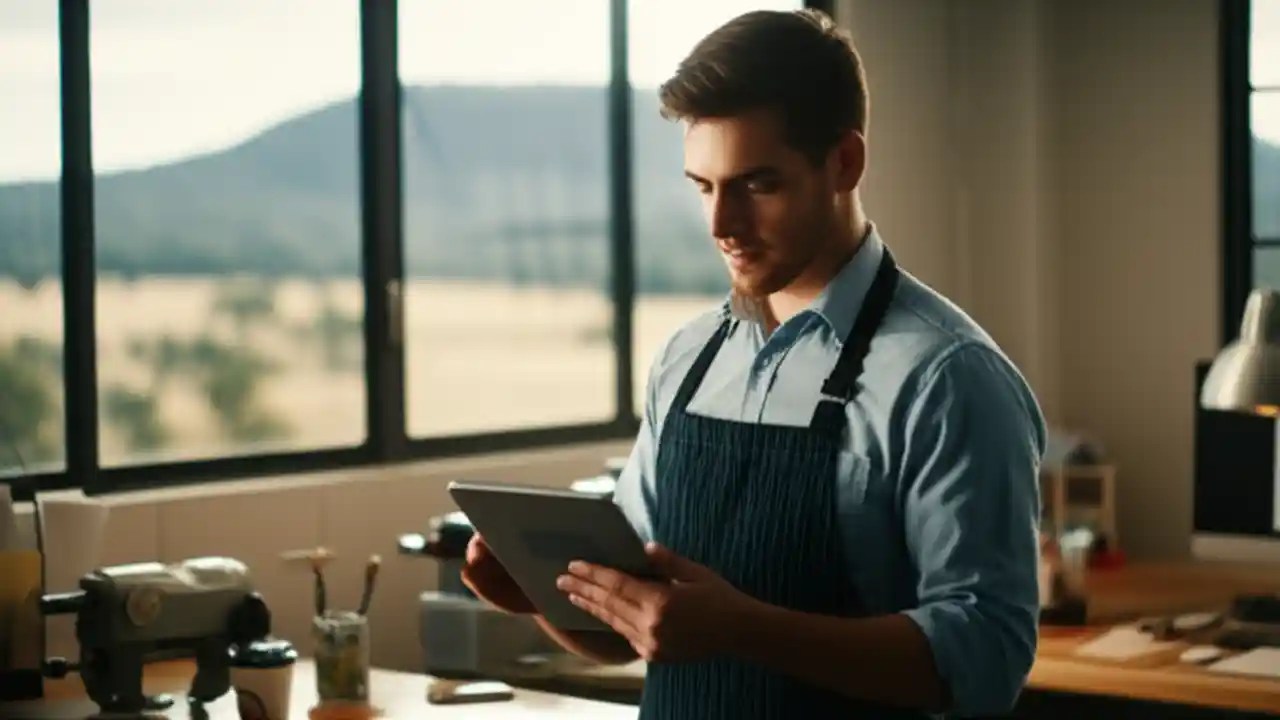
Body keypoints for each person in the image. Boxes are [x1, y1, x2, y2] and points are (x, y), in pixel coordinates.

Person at [462, 8, 1045, 719]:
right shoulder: (686, 362)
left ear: (845, 162)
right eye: (704, 187)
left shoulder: (947, 379)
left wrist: (742, 628)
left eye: (756, 185)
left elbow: (986, 659)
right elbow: (637, 629)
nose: (721, 225)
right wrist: (539, 595)